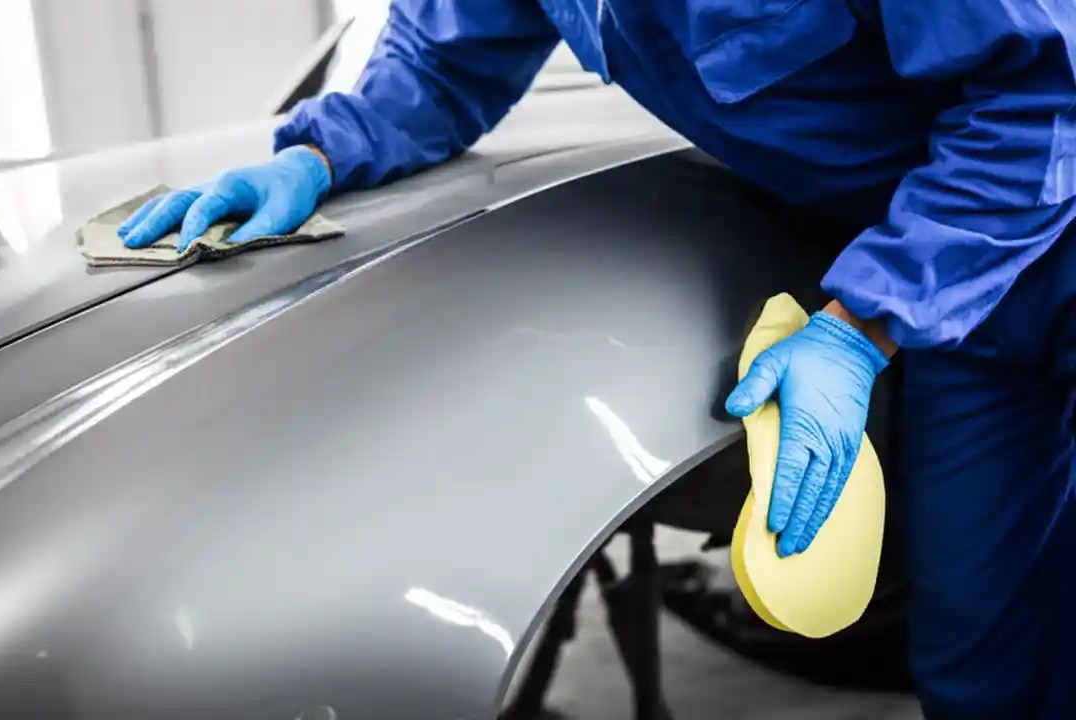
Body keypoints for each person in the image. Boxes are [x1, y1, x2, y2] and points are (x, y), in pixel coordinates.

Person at [119, 1, 1076, 716]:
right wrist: (317, 157)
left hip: (1018, 234)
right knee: (982, 669)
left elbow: (1046, 96)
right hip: (965, 295)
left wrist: (858, 321)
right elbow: (441, 61)